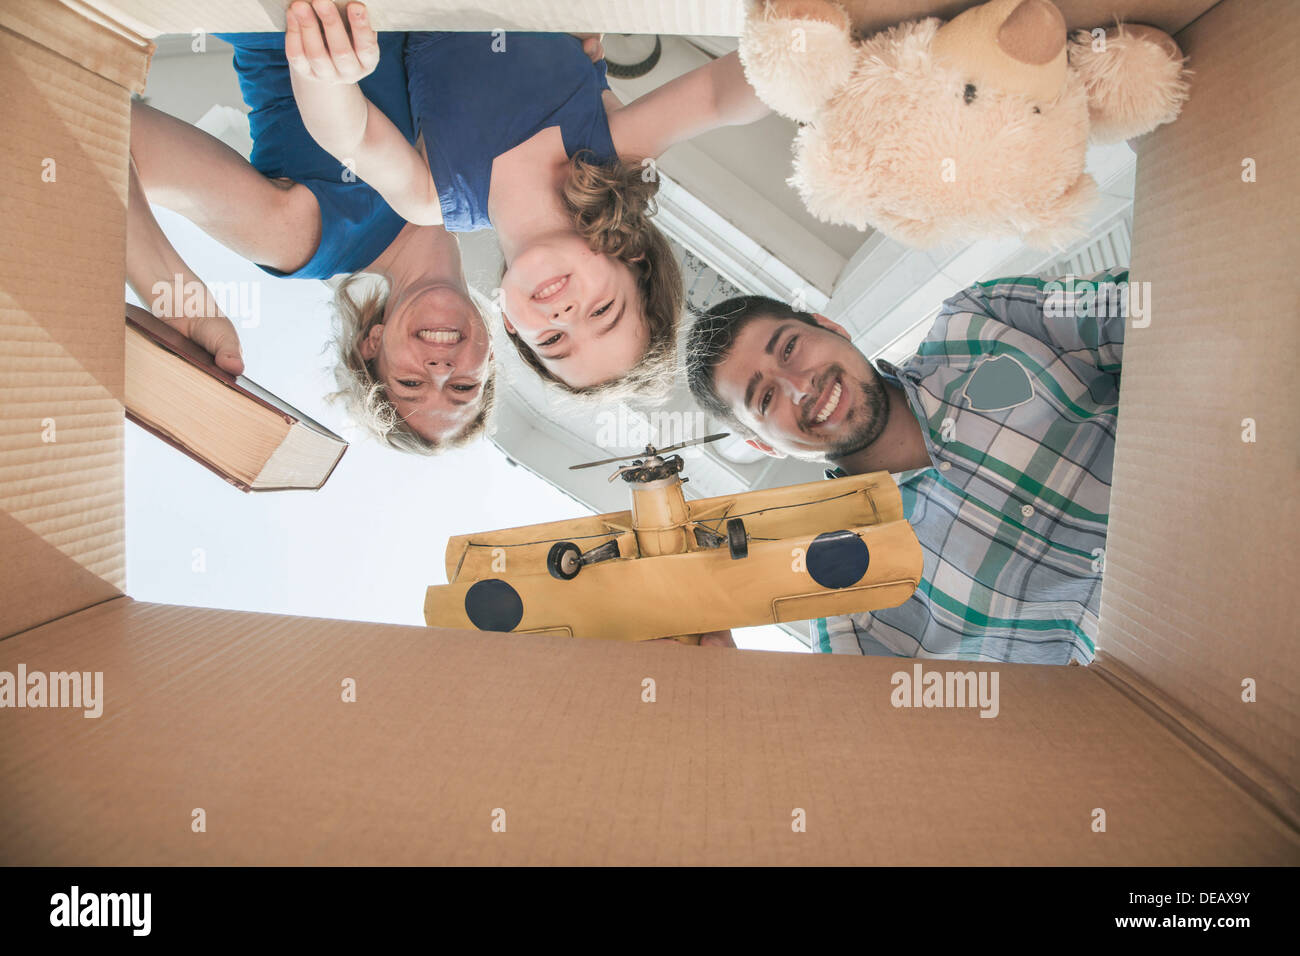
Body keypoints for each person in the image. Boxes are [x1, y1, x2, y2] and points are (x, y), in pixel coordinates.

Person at [285, 0, 770, 398]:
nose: (565, 316)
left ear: (513, 327)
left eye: (554, 340)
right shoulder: (609, 150)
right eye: (602, 311)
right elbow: (718, 97)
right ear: (631, 257)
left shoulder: (431, 198)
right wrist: (816, 64)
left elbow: (352, 135)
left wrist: (326, 72)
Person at [685, 270, 1130, 664]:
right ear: (764, 445)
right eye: (765, 399)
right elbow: (879, 747)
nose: (801, 387)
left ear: (831, 327)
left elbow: (1158, 307)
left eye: (790, 348)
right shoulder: (844, 600)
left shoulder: (980, 319)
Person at [128, 29, 494, 454]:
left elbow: (108, 134)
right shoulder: (484, 190)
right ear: (489, 356)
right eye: (464, 386)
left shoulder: (307, 241)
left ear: (373, 343)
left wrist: (181, 306)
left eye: (411, 383)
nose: (441, 369)